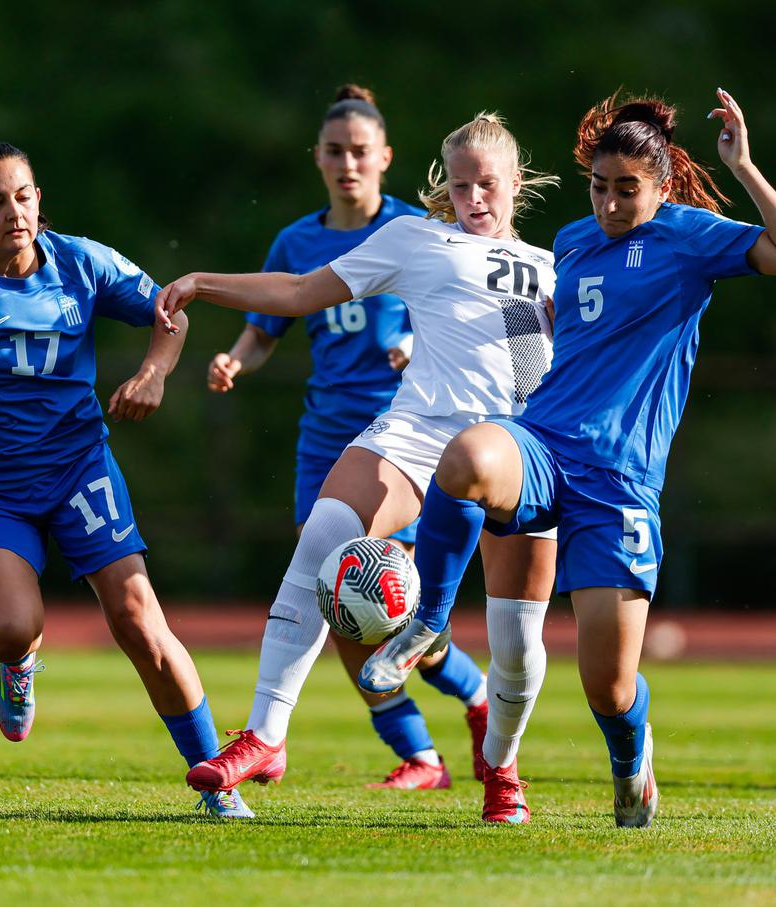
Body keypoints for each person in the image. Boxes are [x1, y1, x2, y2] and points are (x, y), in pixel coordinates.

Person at [361, 88, 776, 826]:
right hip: (542, 441)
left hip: (618, 483)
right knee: (466, 457)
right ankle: (429, 621)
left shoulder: (689, 236)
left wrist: (744, 167)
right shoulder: (573, 241)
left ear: (663, 185)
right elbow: (551, 325)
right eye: (600, 187)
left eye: (627, 189)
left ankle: (630, 757)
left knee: (607, 686)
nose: (609, 203)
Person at [156, 112, 560, 807]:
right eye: (462, 186)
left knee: (517, 644)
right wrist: (201, 282)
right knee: (320, 541)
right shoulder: (415, 239)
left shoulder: (552, 266)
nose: (475, 200)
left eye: (488, 184)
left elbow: (536, 373)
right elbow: (299, 292)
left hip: (511, 448)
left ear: (516, 183)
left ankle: (501, 770)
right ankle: (264, 735)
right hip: (414, 433)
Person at [0, 142, 254, 819]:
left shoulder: (82, 263)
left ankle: (216, 780)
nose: (13, 212)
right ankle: (19, 665)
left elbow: (169, 311)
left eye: (24, 195)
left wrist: (154, 373)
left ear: (40, 200)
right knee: (7, 628)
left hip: (80, 470)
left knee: (140, 621)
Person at [207, 85, 492, 790]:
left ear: (385, 157)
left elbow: (466, 310)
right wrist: (234, 360)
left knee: (384, 606)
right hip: (329, 437)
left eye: (360, 151)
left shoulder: (418, 229)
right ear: (318, 159)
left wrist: (417, 342)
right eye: (335, 151)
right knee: (342, 605)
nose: (347, 163)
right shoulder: (297, 241)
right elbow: (269, 323)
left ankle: (478, 696)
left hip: (409, 441)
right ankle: (419, 753)